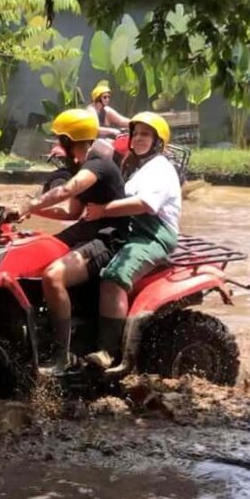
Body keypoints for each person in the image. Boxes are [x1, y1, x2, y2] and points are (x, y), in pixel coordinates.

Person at [16, 109, 130, 371]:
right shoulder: (83, 166)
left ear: (69, 141)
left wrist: (29, 205)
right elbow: (72, 212)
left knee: (53, 276)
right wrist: (30, 211)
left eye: (60, 139)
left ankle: (62, 356)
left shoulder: (98, 165)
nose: (58, 145)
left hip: (109, 238)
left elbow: (68, 189)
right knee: (34, 254)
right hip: (87, 229)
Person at [83, 112, 181, 369]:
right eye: (135, 133)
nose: (138, 138)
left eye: (145, 134)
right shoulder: (137, 167)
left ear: (158, 141)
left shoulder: (160, 169)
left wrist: (103, 211)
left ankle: (108, 352)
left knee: (114, 276)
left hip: (153, 235)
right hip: (130, 230)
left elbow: (144, 204)